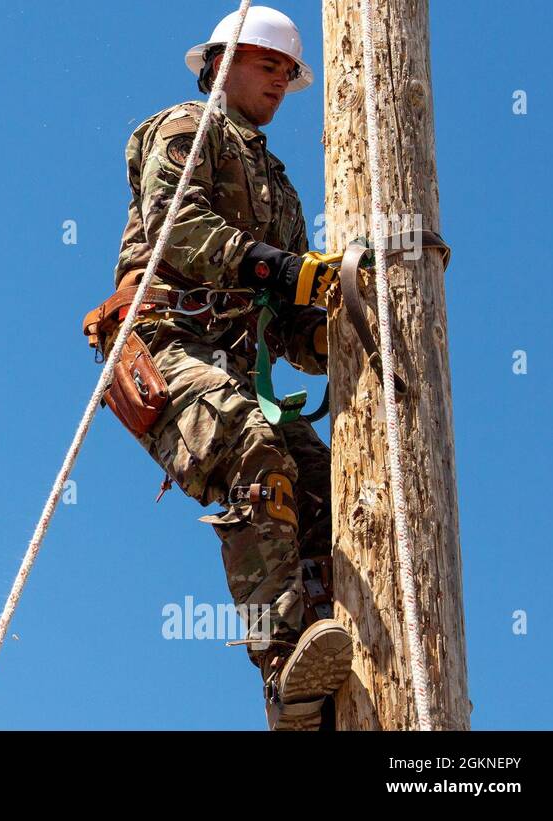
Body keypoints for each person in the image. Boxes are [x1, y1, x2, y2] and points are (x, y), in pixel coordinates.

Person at [107, 6, 352, 730]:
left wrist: (354, 312)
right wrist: (281, 269)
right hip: (168, 346)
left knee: (330, 491)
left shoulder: (282, 192)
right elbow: (176, 229)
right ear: (219, 63)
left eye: (286, 72)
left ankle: (331, 675)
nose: (278, 82)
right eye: (265, 65)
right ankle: (284, 671)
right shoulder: (186, 128)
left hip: (238, 365)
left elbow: (297, 329)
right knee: (253, 447)